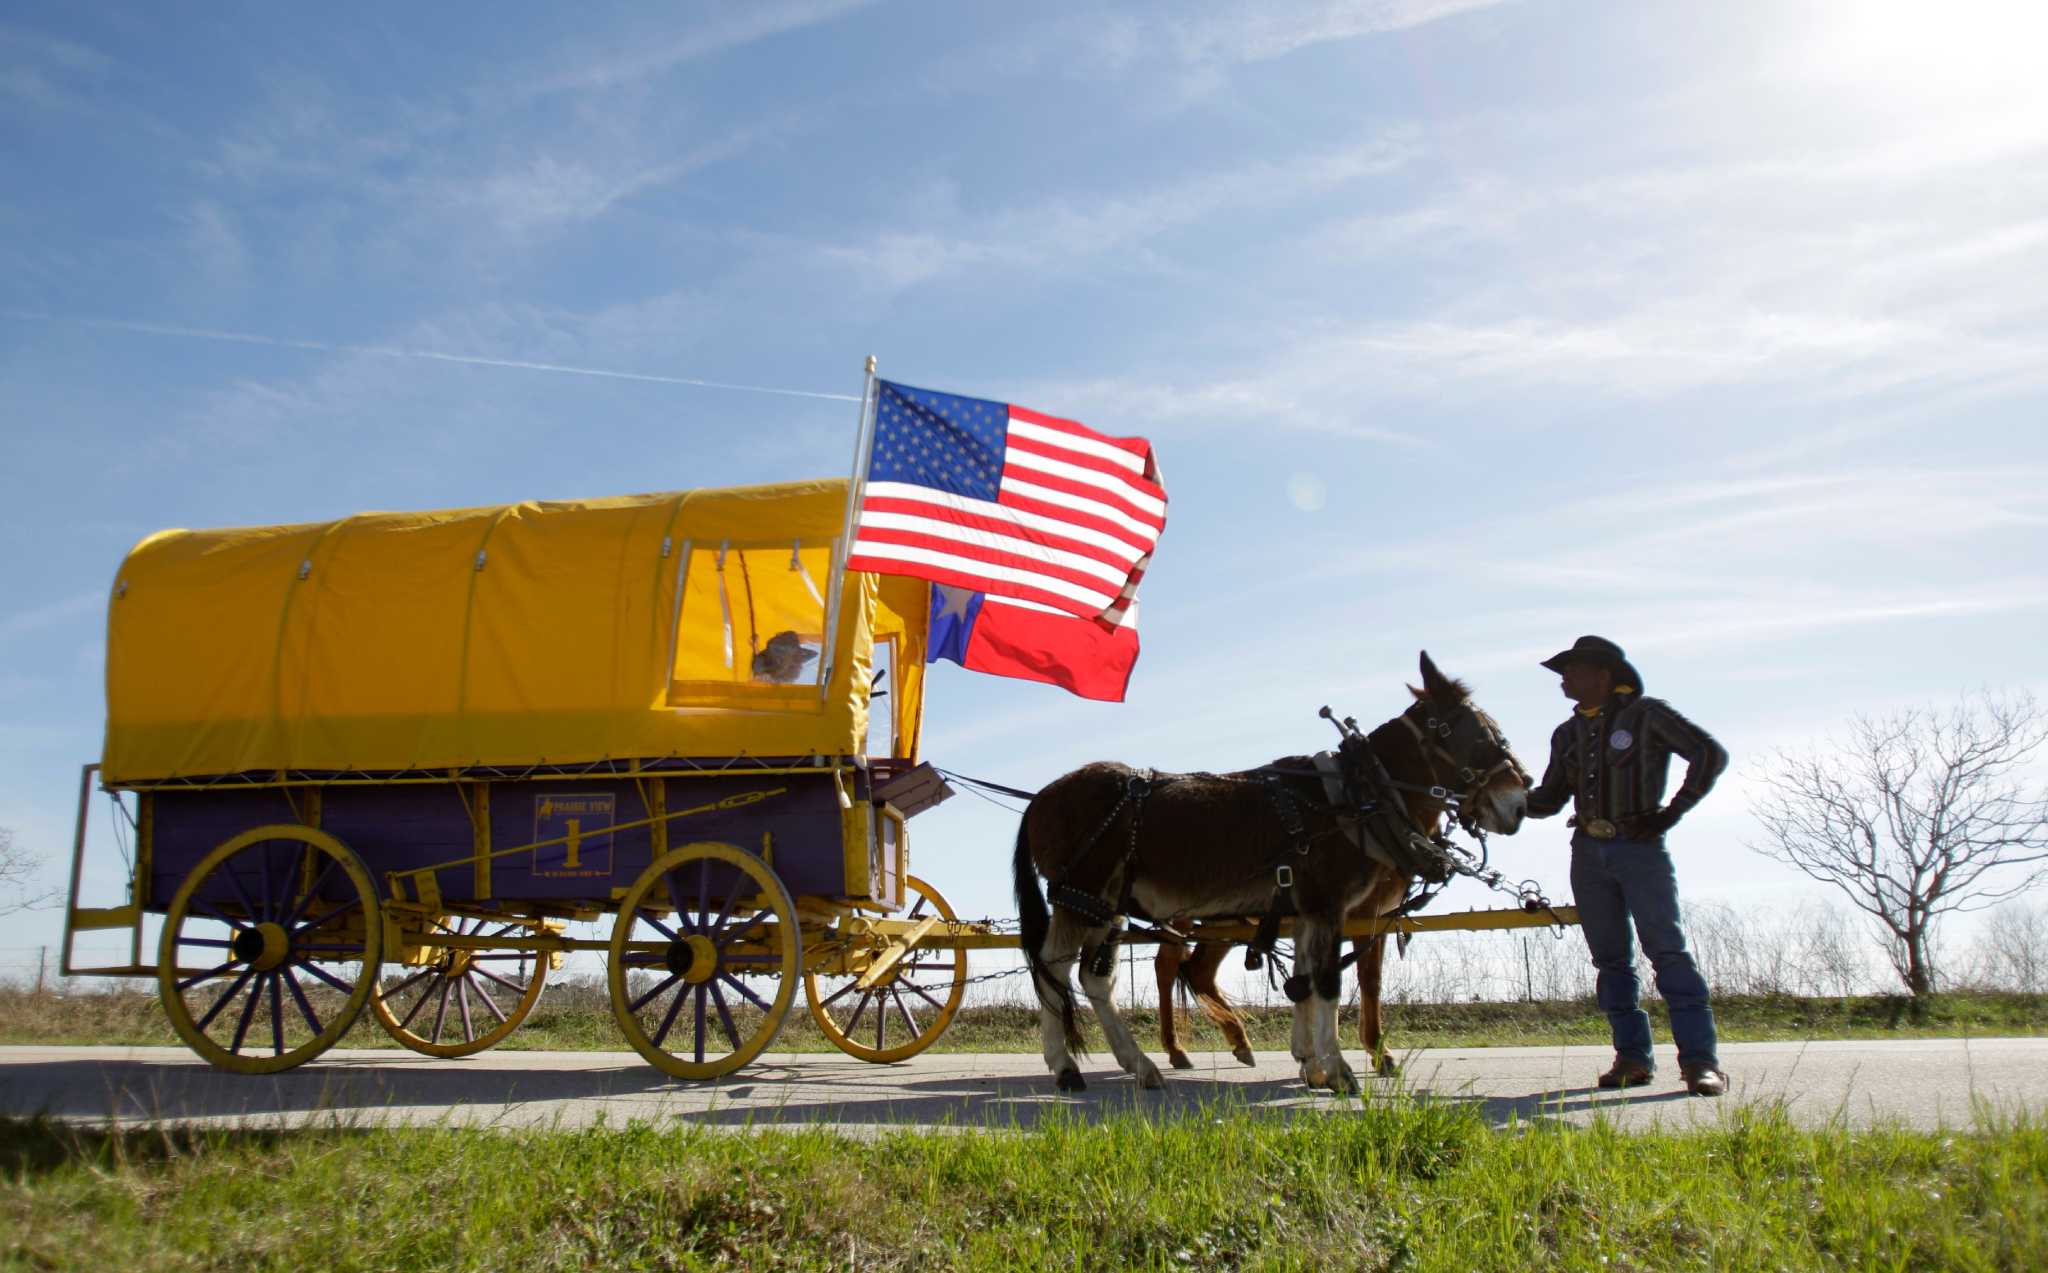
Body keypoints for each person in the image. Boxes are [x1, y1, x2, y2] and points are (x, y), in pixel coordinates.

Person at [1525, 635, 1731, 1097]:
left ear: (1603, 675)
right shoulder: (1566, 734)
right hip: (1587, 854)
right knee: (1610, 961)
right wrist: (1496, 800)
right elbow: (1549, 800)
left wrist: (1671, 813)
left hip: (1640, 849)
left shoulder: (1648, 715)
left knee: (1667, 952)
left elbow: (1709, 754)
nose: (1563, 678)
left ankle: (1701, 1063)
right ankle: (1632, 1059)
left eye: (1572, 669)